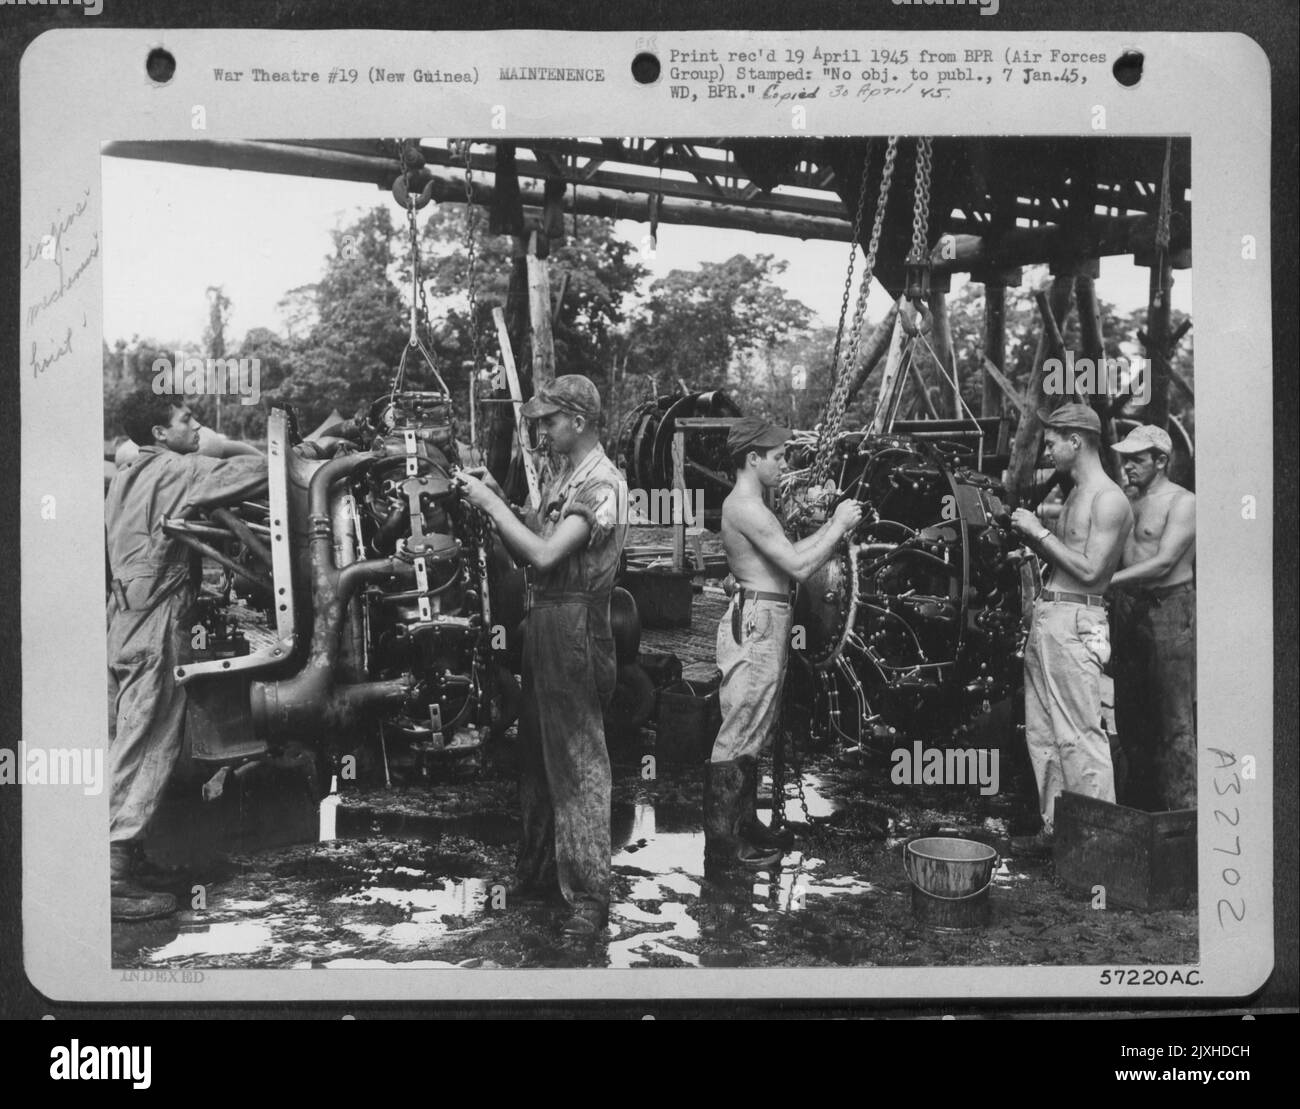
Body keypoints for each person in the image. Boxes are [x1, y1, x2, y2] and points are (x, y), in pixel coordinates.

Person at [454, 375, 628, 939]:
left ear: (578, 422)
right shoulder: (565, 475)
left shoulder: (602, 483)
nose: (542, 430)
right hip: (546, 620)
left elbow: (545, 553)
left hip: (576, 624)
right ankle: (536, 873)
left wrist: (489, 503)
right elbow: (531, 532)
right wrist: (498, 501)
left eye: (550, 420)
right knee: (535, 757)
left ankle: (589, 899)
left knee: (577, 764)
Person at [106, 389, 270, 921]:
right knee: (145, 742)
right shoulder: (177, 470)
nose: (195, 424)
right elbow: (261, 472)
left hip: (124, 621)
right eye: (186, 418)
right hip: (154, 623)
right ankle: (111, 878)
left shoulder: (127, 475)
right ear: (159, 433)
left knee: (135, 738)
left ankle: (130, 858)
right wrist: (233, 443)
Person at [706, 417, 862, 868]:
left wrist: (829, 529)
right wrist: (837, 524)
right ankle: (725, 847)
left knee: (756, 724)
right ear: (752, 459)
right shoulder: (746, 507)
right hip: (758, 622)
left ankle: (743, 825)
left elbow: (791, 555)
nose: (783, 465)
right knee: (741, 728)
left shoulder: (755, 504)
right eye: (776, 458)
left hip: (766, 618)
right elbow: (796, 565)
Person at [1009, 404, 1134, 850]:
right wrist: (1034, 551)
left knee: (1080, 735)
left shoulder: (1108, 499)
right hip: (1051, 617)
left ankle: (1100, 849)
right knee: (1043, 734)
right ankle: (1058, 835)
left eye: (1052, 442)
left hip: (1077, 619)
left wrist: (1037, 534)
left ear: (1076, 441)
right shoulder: (1078, 493)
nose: (1048, 451)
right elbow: (1067, 562)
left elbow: (1090, 570)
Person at [1108, 425, 1196, 811]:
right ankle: (1141, 815)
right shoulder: (1128, 501)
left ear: (1161, 460)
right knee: (1130, 718)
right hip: (1129, 611)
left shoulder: (1184, 502)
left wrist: (1102, 582)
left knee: (1172, 720)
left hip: (1168, 611)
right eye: (1125, 458)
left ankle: (1183, 814)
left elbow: (1162, 564)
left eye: (1137, 459)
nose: (1128, 466)